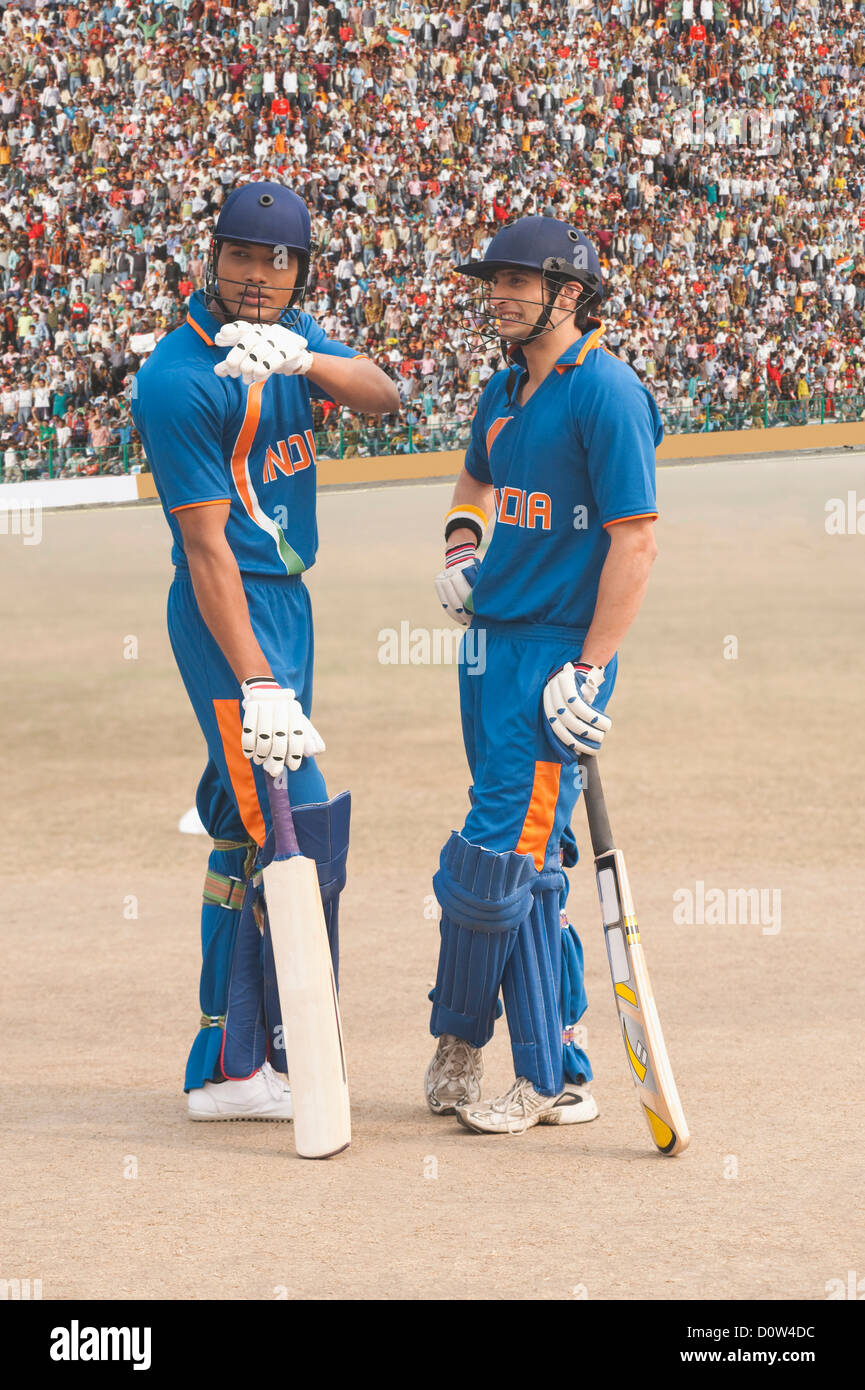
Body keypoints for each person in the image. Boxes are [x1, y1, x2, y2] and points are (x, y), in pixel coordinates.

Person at [131, 182, 399, 1122]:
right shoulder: (174, 379)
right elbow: (206, 550)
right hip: (228, 612)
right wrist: (256, 682)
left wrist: (310, 357)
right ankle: (242, 1063)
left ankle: (227, 1057)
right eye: (242, 256)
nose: (258, 277)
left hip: (288, 601)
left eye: (277, 261)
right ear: (212, 257)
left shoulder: (290, 334)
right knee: (296, 822)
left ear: (300, 270)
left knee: (242, 824)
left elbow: (384, 397)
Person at [424, 216, 663, 1135]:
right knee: (520, 858)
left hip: (553, 657)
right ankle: (479, 1042)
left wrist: (589, 670)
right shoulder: (503, 387)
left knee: (504, 860)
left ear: (569, 294)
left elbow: (635, 540)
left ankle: (547, 1074)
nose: (499, 294)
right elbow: (475, 479)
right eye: (495, 280)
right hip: (487, 645)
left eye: (519, 281)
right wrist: (460, 546)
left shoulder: (606, 391)